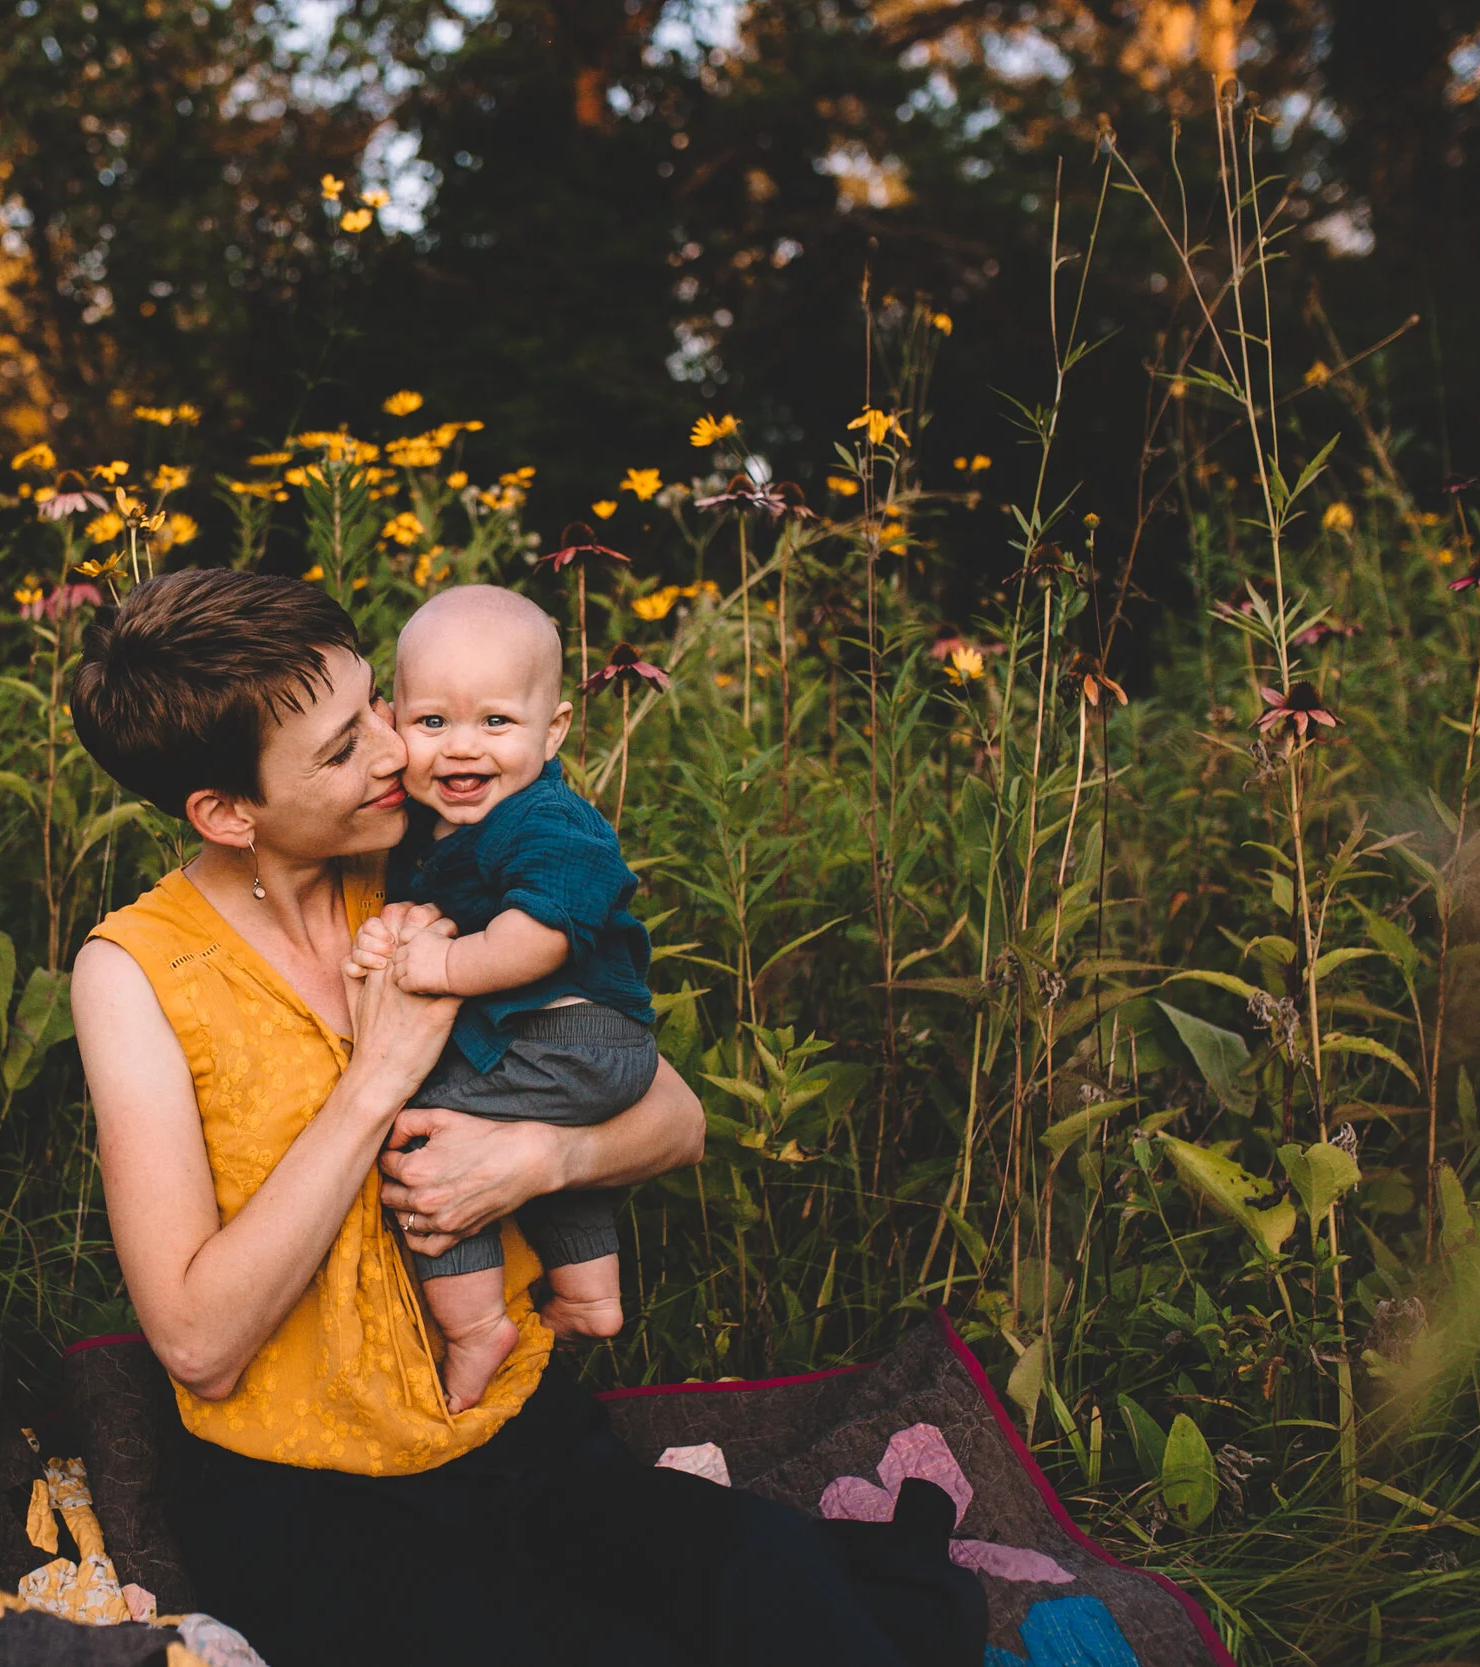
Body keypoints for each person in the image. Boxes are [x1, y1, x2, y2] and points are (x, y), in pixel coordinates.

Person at [66, 569, 925, 1667]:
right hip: (312, 1497)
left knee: (767, 1575)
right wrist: (376, 1077)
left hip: (519, 1426)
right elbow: (197, 1342)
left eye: (378, 703)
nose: (393, 751)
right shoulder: (136, 971)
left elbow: (676, 1117)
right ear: (227, 812)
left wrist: (532, 1155)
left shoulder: (450, 857)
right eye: (340, 749)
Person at [346, 585, 655, 1414]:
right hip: (566, 1048)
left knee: (428, 1133)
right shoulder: (428, 827)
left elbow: (536, 940)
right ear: (392, 720)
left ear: (553, 730)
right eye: (433, 722)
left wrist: (439, 969)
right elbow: (428, 910)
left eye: (495, 722)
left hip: (578, 1037)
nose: (460, 750)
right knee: (540, 1141)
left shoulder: (546, 821)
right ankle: (591, 1301)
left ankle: (476, 1325)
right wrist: (398, 929)